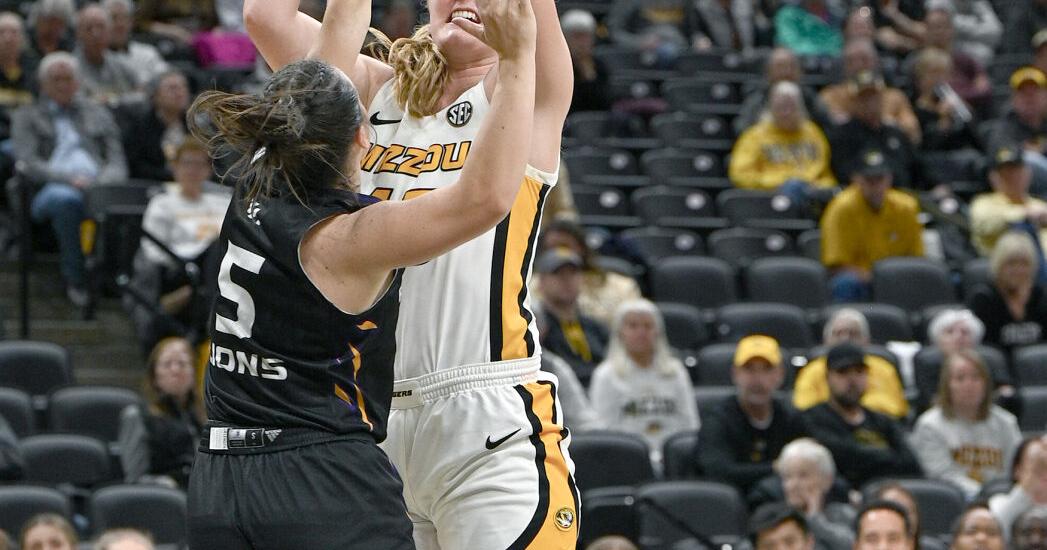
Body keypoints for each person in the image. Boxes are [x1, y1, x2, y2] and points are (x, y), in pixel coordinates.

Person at [190, 0, 548, 545]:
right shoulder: (355, 238)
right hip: (329, 453)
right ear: (362, 135)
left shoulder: (257, 183)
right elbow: (485, 199)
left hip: (229, 467)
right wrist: (520, 55)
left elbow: (312, 55)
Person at [12, 51, 127, 306]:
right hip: (51, 187)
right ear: (43, 84)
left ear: (78, 82)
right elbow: (28, 163)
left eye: (68, 78)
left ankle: (115, 280)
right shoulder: (26, 115)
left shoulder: (98, 112)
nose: (63, 85)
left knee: (125, 199)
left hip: (98, 183)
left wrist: (105, 181)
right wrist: (68, 179)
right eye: (56, 79)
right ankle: (76, 278)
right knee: (65, 200)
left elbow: (117, 159)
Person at [588, 299, 698, 464]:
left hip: (675, 459)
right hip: (626, 460)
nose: (641, 332)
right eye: (633, 326)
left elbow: (690, 423)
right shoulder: (605, 375)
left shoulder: (676, 372)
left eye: (648, 326)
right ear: (620, 332)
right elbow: (603, 429)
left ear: (658, 332)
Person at [697, 334, 807, 496]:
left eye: (767, 369)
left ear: (780, 375)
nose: (758, 379)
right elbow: (718, 472)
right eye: (749, 369)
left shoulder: (790, 418)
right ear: (735, 374)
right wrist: (776, 468)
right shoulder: (718, 420)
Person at [802, 342, 923, 488]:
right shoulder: (811, 418)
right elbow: (841, 457)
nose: (852, 380)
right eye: (843, 372)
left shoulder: (883, 421)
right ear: (827, 378)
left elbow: (911, 464)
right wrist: (885, 456)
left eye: (859, 372)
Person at [910, 350, 1023, 499]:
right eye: (960, 378)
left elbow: (1017, 469)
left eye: (976, 377)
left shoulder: (1006, 422)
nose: (969, 385)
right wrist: (982, 494)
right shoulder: (929, 425)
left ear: (986, 383)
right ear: (947, 385)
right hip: (953, 501)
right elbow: (940, 475)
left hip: (1002, 498)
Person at [820, 148, 924, 302]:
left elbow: (916, 258)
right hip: (861, 282)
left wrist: (892, 279)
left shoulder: (906, 207)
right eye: (869, 180)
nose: (876, 187)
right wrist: (878, 279)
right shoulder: (841, 208)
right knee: (845, 283)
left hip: (898, 280)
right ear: (856, 179)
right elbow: (835, 267)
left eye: (880, 179)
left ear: (889, 179)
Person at [728, 80, 837, 209]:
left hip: (812, 194)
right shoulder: (754, 136)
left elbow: (825, 173)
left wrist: (819, 187)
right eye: (781, 107)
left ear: (800, 108)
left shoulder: (813, 132)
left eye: (791, 107)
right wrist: (778, 183)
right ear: (771, 108)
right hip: (769, 197)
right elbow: (740, 175)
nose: (786, 112)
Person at [117, 337, 205, 487]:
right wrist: (169, 484)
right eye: (167, 364)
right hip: (163, 500)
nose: (175, 370)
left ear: (193, 373)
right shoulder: (137, 416)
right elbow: (135, 479)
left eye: (182, 364)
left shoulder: (203, 416)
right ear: (155, 376)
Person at [794, 308, 908, 419]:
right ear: (826, 341)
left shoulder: (883, 368)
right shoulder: (812, 370)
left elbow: (894, 407)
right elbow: (803, 406)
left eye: (853, 334)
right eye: (838, 334)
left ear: (866, 340)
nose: (845, 339)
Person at [826, 70, 927, 189]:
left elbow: (917, 167)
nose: (870, 103)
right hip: (862, 198)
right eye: (864, 98)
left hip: (901, 198)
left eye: (874, 96)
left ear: (882, 99)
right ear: (854, 102)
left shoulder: (895, 132)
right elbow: (843, 173)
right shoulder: (841, 135)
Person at [820, 40, 922, 146]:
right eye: (851, 61)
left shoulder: (895, 96)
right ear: (845, 67)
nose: (859, 65)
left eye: (864, 59)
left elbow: (912, 131)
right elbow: (830, 126)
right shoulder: (831, 95)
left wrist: (883, 122)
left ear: (876, 62)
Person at [968, 232, 1047, 357]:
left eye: (1024, 264)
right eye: (1011, 263)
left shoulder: (1042, 297)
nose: (1018, 270)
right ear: (998, 265)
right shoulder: (984, 299)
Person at [537, 247, 609, 384]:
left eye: (573, 273)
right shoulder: (537, 329)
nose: (567, 280)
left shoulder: (596, 327)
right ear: (541, 281)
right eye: (558, 274)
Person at [773, 439, 856, 550]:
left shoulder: (844, 514)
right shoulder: (774, 519)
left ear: (827, 480)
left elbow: (853, 545)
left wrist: (815, 518)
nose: (793, 484)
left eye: (803, 475)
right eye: (788, 477)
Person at [970, 145, 1047, 259]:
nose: (1013, 178)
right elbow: (984, 223)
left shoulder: (1040, 205)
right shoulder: (983, 203)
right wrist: (1025, 215)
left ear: (1027, 173)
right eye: (1005, 174)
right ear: (994, 177)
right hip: (1006, 268)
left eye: (1017, 172)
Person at [120, 70, 191, 181]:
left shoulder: (196, 126)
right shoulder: (139, 128)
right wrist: (175, 177)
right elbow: (136, 168)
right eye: (172, 88)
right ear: (155, 96)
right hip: (154, 186)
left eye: (183, 87)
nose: (180, 93)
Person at [72, 3, 138, 104]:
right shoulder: (70, 68)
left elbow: (141, 94)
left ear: (110, 31)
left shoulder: (122, 66)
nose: (96, 34)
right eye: (89, 28)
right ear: (78, 33)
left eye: (101, 27)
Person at [988, 435, 1047, 540]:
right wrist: (1027, 484)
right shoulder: (999, 502)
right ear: (1017, 470)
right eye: (1038, 466)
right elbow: (997, 530)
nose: (1044, 473)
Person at [103, 0, 168, 88]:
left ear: (131, 22)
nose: (120, 24)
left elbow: (166, 81)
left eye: (125, 18)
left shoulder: (148, 54)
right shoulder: (96, 58)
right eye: (114, 18)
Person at [562, 9, 609, 114]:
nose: (582, 43)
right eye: (577, 37)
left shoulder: (600, 66)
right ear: (565, 38)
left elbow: (604, 103)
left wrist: (589, 75)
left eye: (586, 37)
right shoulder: (558, 66)